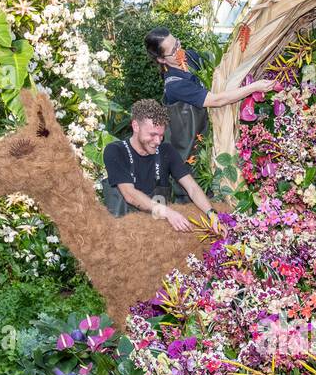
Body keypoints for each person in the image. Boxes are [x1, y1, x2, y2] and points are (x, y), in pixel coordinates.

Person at [145, 28, 277, 164]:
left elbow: (217, 69)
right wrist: (254, 87)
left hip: (214, 124)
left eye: (178, 43)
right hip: (198, 146)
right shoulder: (174, 86)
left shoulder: (189, 56)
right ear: (161, 59)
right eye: (173, 51)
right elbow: (217, 100)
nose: (179, 51)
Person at [101, 99, 215, 228]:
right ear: (136, 126)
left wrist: (211, 213)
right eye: (153, 134)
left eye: (161, 135)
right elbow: (129, 194)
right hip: (125, 233)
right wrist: (168, 212)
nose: (158, 141)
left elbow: (192, 188)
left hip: (157, 232)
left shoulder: (167, 151)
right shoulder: (115, 151)